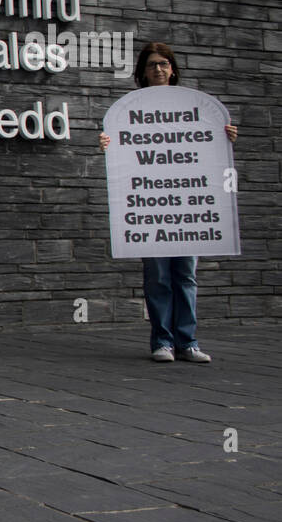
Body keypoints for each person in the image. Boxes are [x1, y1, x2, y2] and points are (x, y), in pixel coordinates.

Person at [99, 42, 237, 363]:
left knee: (185, 276)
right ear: (143, 72)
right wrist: (108, 143)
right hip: (150, 207)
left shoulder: (193, 106)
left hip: (186, 207)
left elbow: (204, 146)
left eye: (163, 63)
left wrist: (225, 137)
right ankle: (163, 341)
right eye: (152, 64)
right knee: (158, 277)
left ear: (172, 69)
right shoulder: (130, 110)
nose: (158, 69)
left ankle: (188, 342)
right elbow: (126, 150)